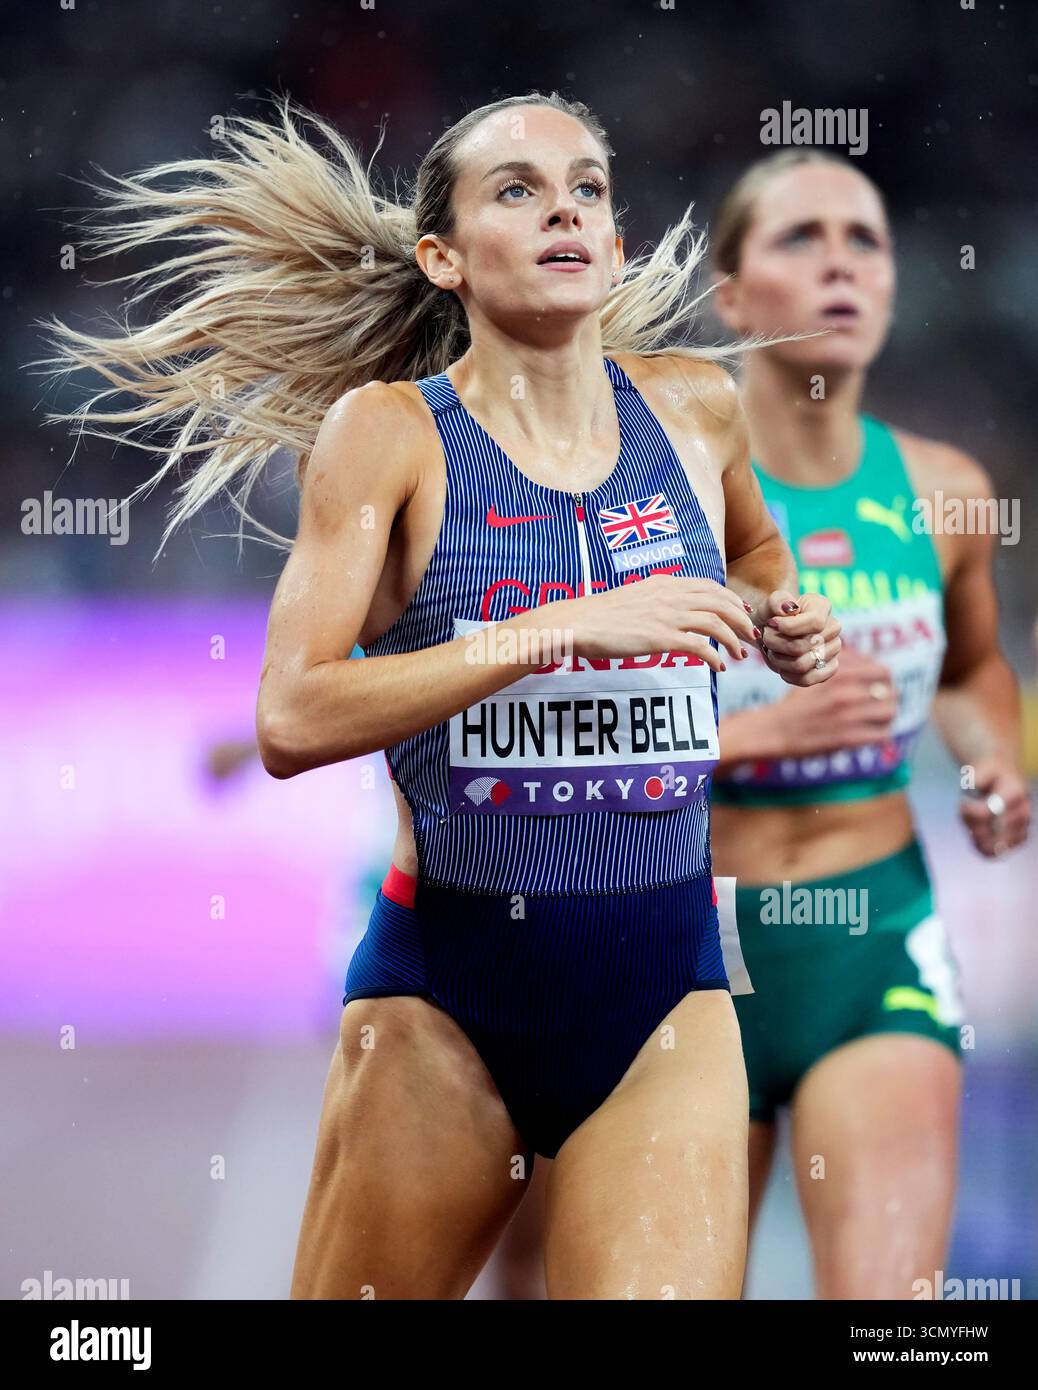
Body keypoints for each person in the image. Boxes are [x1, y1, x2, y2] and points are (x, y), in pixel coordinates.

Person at [34, 92, 837, 1299]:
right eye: (517, 189)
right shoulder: (389, 436)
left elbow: (764, 552)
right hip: (444, 1008)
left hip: (668, 994)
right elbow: (291, 718)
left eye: (588, 188)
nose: (563, 205)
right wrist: (554, 630)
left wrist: (789, 617)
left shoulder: (697, 410)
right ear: (443, 258)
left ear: (614, 246)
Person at [705, 149, 1032, 1298]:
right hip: (680, 958)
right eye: (801, 239)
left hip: (872, 943)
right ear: (730, 296)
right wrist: (742, 743)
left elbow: (974, 671)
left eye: (867, 241)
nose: (842, 263)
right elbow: (552, 725)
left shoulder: (946, 490)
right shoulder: (658, 498)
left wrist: (996, 761)